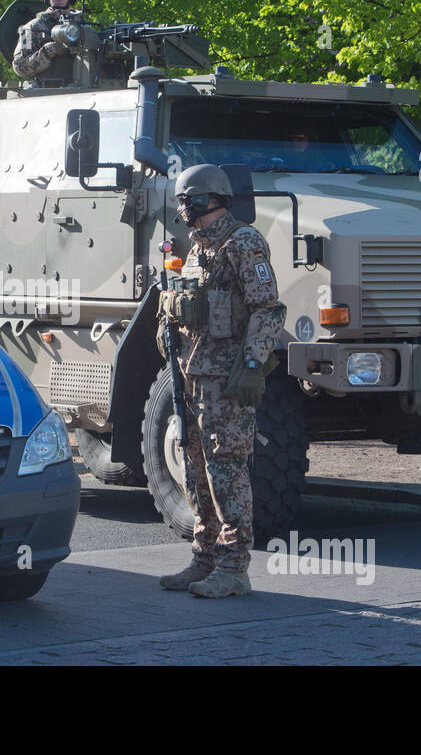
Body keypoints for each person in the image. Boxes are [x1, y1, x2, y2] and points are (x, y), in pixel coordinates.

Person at [156, 164, 286, 597]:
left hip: (227, 380)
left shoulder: (242, 242)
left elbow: (268, 310)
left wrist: (251, 365)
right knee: (195, 468)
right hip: (192, 376)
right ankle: (205, 556)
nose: (181, 209)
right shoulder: (197, 250)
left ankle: (234, 566)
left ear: (204, 200)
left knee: (226, 468)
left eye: (185, 200)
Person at [13, 0, 80, 85]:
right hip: (47, 92)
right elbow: (19, 67)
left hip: (82, 89)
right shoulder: (31, 27)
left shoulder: (82, 26)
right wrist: (47, 52)